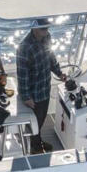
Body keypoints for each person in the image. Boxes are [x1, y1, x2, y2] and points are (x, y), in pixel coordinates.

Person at [17, 18, 67, 154]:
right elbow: (22, 76)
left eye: (47, 28)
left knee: (42, 118)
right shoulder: (24, 48)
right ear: (34, 28)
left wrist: (59, 72)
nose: (46, 31)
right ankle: (35, 148)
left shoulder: (46, 37)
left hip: (45, 88)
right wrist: (26, 97)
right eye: (43, 29)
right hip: (33, 94)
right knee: (35, 122)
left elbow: (51, 58)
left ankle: (37, 142)